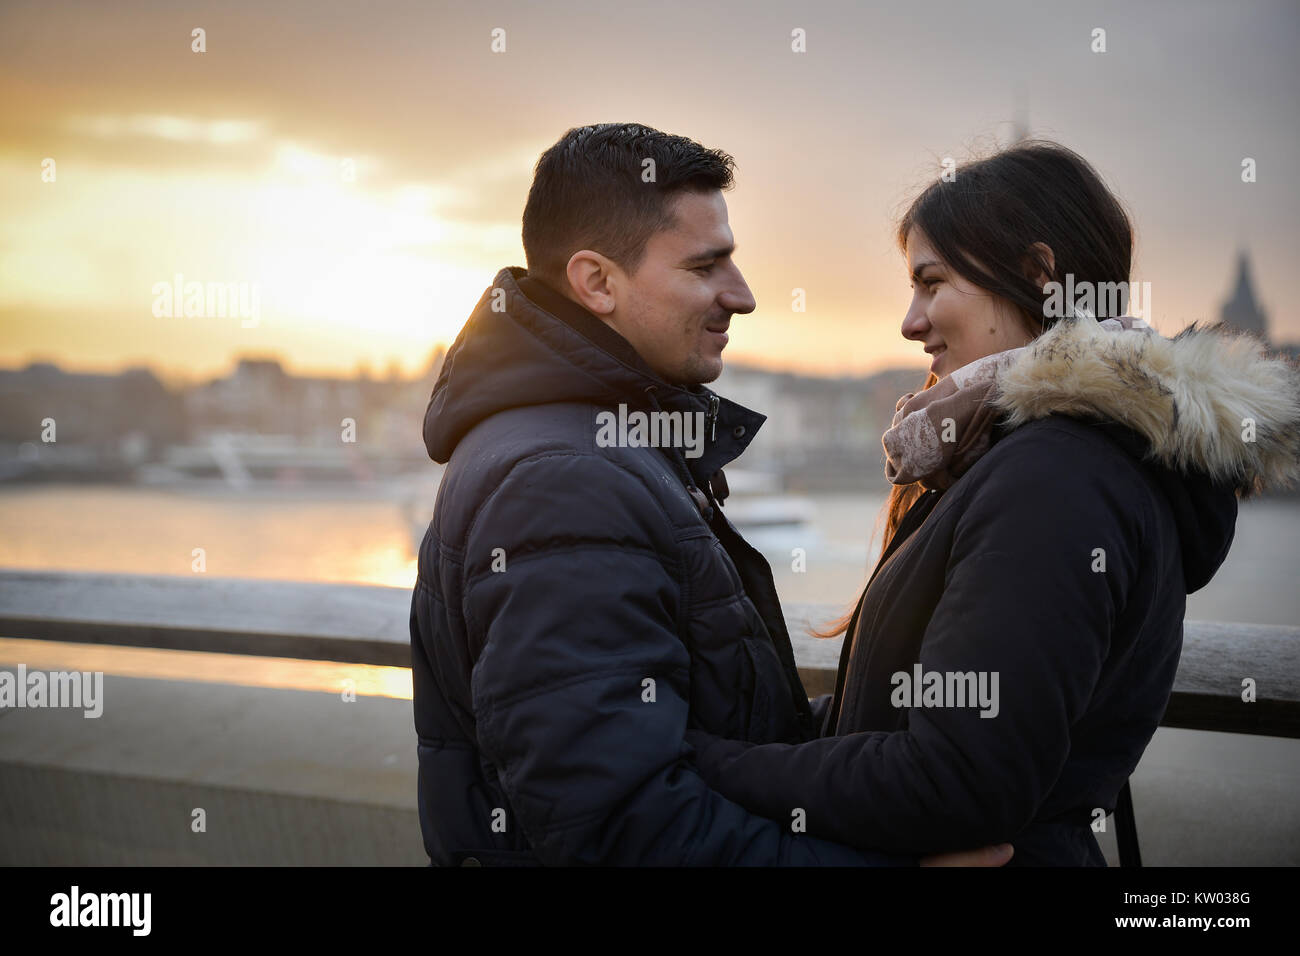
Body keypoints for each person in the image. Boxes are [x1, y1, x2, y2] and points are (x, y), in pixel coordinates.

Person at [408, 122, 1010, 866]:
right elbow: (622, 824)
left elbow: (704, 730)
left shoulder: (594, 446)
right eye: (706, 265)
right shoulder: (563, 480)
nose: (744, 295)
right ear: (597, 281)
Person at [684, 140, 1300, 865]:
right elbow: (909, 722)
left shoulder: (1056, 479)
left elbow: (955, 781)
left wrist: (697, 765)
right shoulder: (1056, 459)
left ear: (1039, 274)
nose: (910, 323)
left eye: (931, 281)